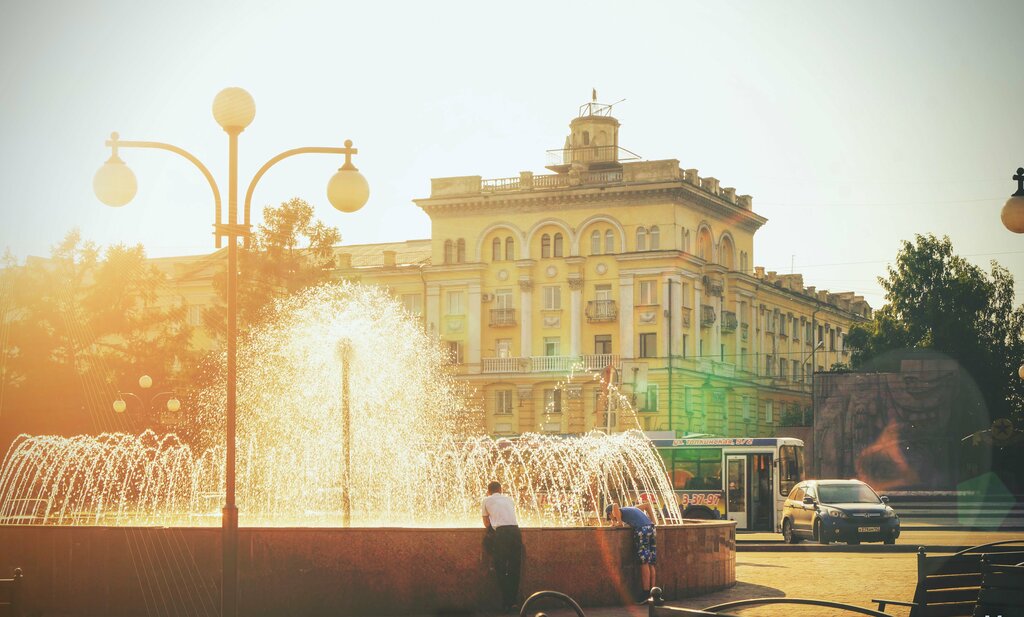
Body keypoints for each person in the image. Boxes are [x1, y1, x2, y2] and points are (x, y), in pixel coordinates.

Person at [481, 480, 522, 613]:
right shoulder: (509, 499)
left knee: (500, 567)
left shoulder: (486, 500)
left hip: (502, 534)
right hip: (516, 532)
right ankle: (514, 601)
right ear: (501, 490)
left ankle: (507, 601)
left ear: (489, 491)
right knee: (514, 568)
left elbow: (486, 523)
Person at [606, 501, 657, 602]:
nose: (612, 520)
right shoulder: (632, 509)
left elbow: (615, 505)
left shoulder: (619, 511)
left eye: (610, 517)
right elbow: (647, 505)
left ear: (610, 513)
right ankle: (654, 592)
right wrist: (653, 520)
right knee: (650, 563)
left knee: (644, 562)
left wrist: (619, 522)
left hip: (642, 530)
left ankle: (645, 593)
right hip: (651, 528)